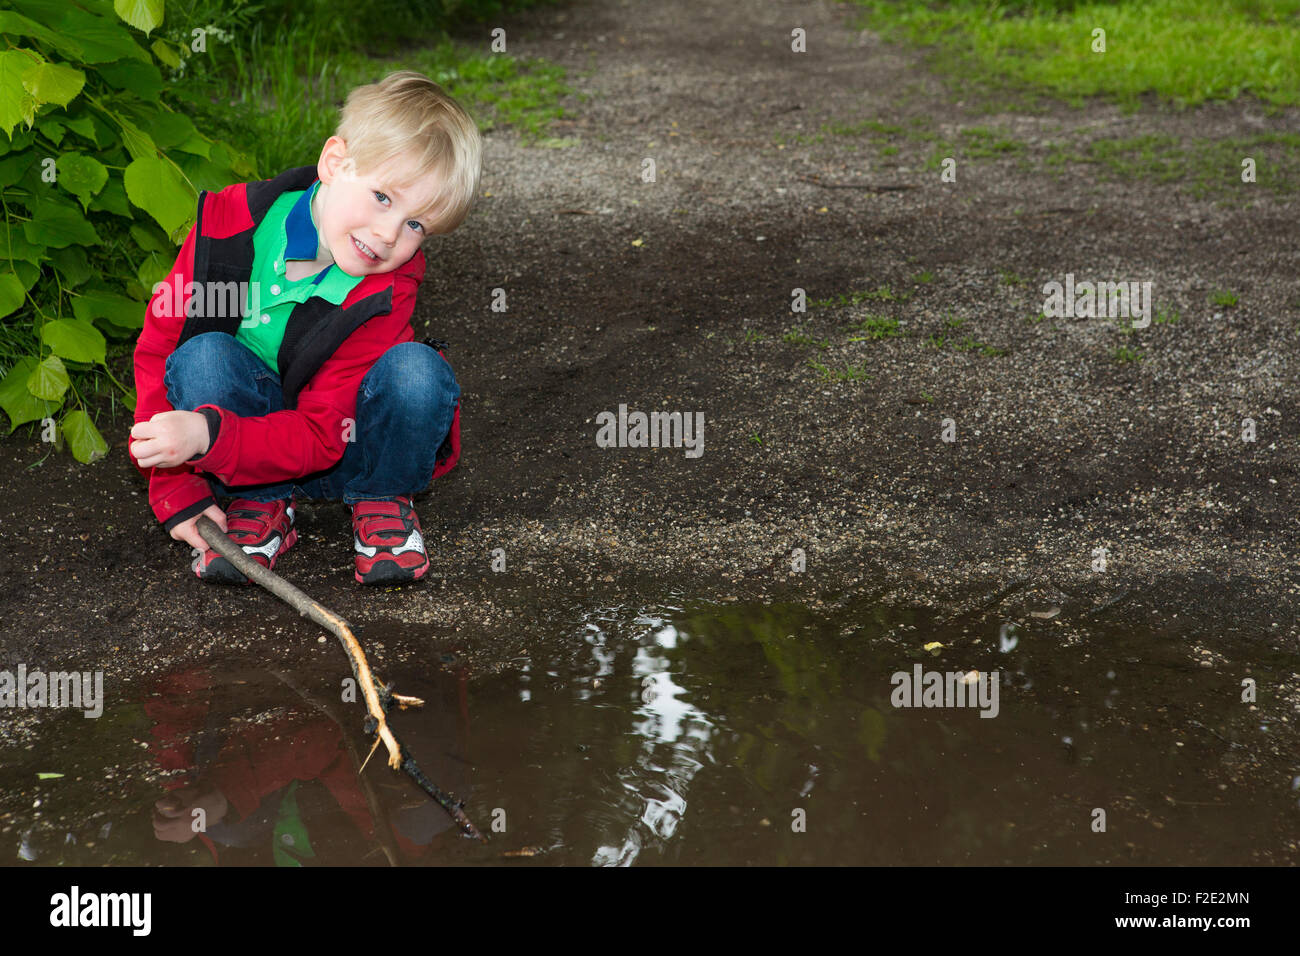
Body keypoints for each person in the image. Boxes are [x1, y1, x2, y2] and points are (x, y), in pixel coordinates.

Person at [128, 71, 481, 585]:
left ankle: (382, 497)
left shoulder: (387, 287)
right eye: (383, 197)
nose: (388, 234)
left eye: (416, 226)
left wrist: (207, 434)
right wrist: (175, 490)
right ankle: (261, 501)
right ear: (336, 163)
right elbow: (161, 345)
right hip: (239, 444)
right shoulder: (230, 225)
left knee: (417, 373)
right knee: (202, 354)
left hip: (343, 443)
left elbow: (322, 434)